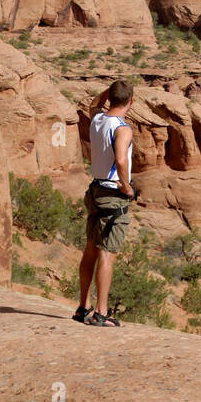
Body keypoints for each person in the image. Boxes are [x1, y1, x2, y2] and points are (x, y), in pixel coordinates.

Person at [74, 79, 139, 327]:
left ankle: (84, 307)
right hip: (113, 195)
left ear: (110, 98)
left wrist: (109, 91)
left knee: (91, 248)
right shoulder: (122, 128)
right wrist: (127, 186)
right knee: (107, 254)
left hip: (95, 191)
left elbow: (94, 103)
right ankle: (101, 313)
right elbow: (121, 160)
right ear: (131, 102)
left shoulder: (98, 119)